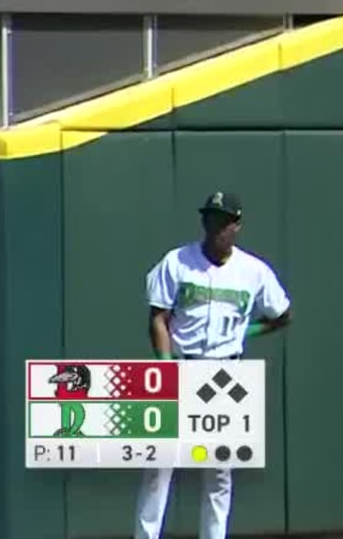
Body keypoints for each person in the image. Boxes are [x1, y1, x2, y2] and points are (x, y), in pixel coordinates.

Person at [133, 192, 292, 539]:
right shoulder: (177, 262)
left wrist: (245, 329)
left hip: (226, 372)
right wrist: (164, 365)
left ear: (236, 226)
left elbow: (282, 316)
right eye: (210, 219)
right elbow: (157, 318)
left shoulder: (253, 271)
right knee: (160, 464)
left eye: (223, 220)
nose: (215, 226)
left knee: (218, 470)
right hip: (182, 366)